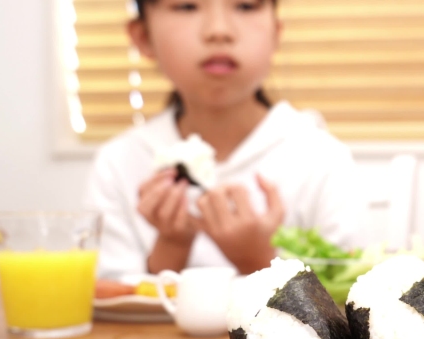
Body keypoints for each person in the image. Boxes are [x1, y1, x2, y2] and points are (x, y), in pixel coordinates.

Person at [84, 0, 361, 279]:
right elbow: (111, 295)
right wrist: (172, 246)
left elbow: (346, 294)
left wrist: (257, 262)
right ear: (143, 36)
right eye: (186, 6)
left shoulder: (322, 158)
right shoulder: (117, 163)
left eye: (246, 6)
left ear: (276, 33)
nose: (218, 31)